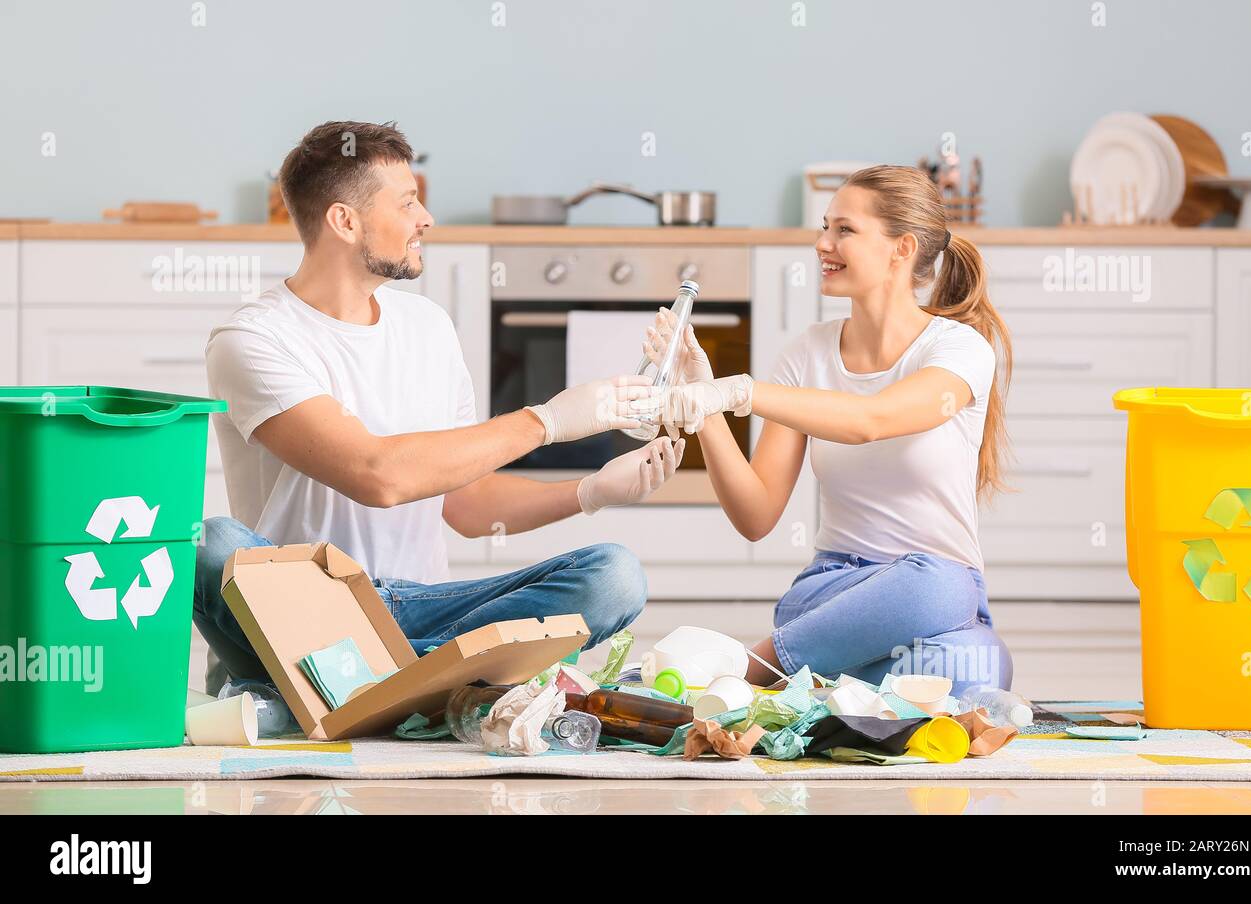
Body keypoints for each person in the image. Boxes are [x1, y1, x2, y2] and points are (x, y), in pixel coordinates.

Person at [195, 121, 684, 693]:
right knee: (214, 544)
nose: (425, 218)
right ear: (344, 221)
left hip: (423, 608)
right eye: (407, 203)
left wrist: (590, 491)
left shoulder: (427, 326)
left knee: (614, 576)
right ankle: (428, 681)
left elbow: (467, 504)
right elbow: (376, 475)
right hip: (304, 606)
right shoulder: (253, 339)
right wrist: (545, 421)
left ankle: (354, 685)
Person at [647, 164, 1015, 696]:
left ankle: (768, 671)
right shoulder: (808, 354)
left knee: (974, 661)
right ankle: (795, 670)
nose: (823, 244)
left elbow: (871, 420)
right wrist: (705, 402)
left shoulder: (958, 350)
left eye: (845, 230)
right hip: (830, 591)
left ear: (902, 248)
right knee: (954, 634)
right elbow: (755, 515)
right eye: (825, 228)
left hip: (930, 593)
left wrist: (739, 391)